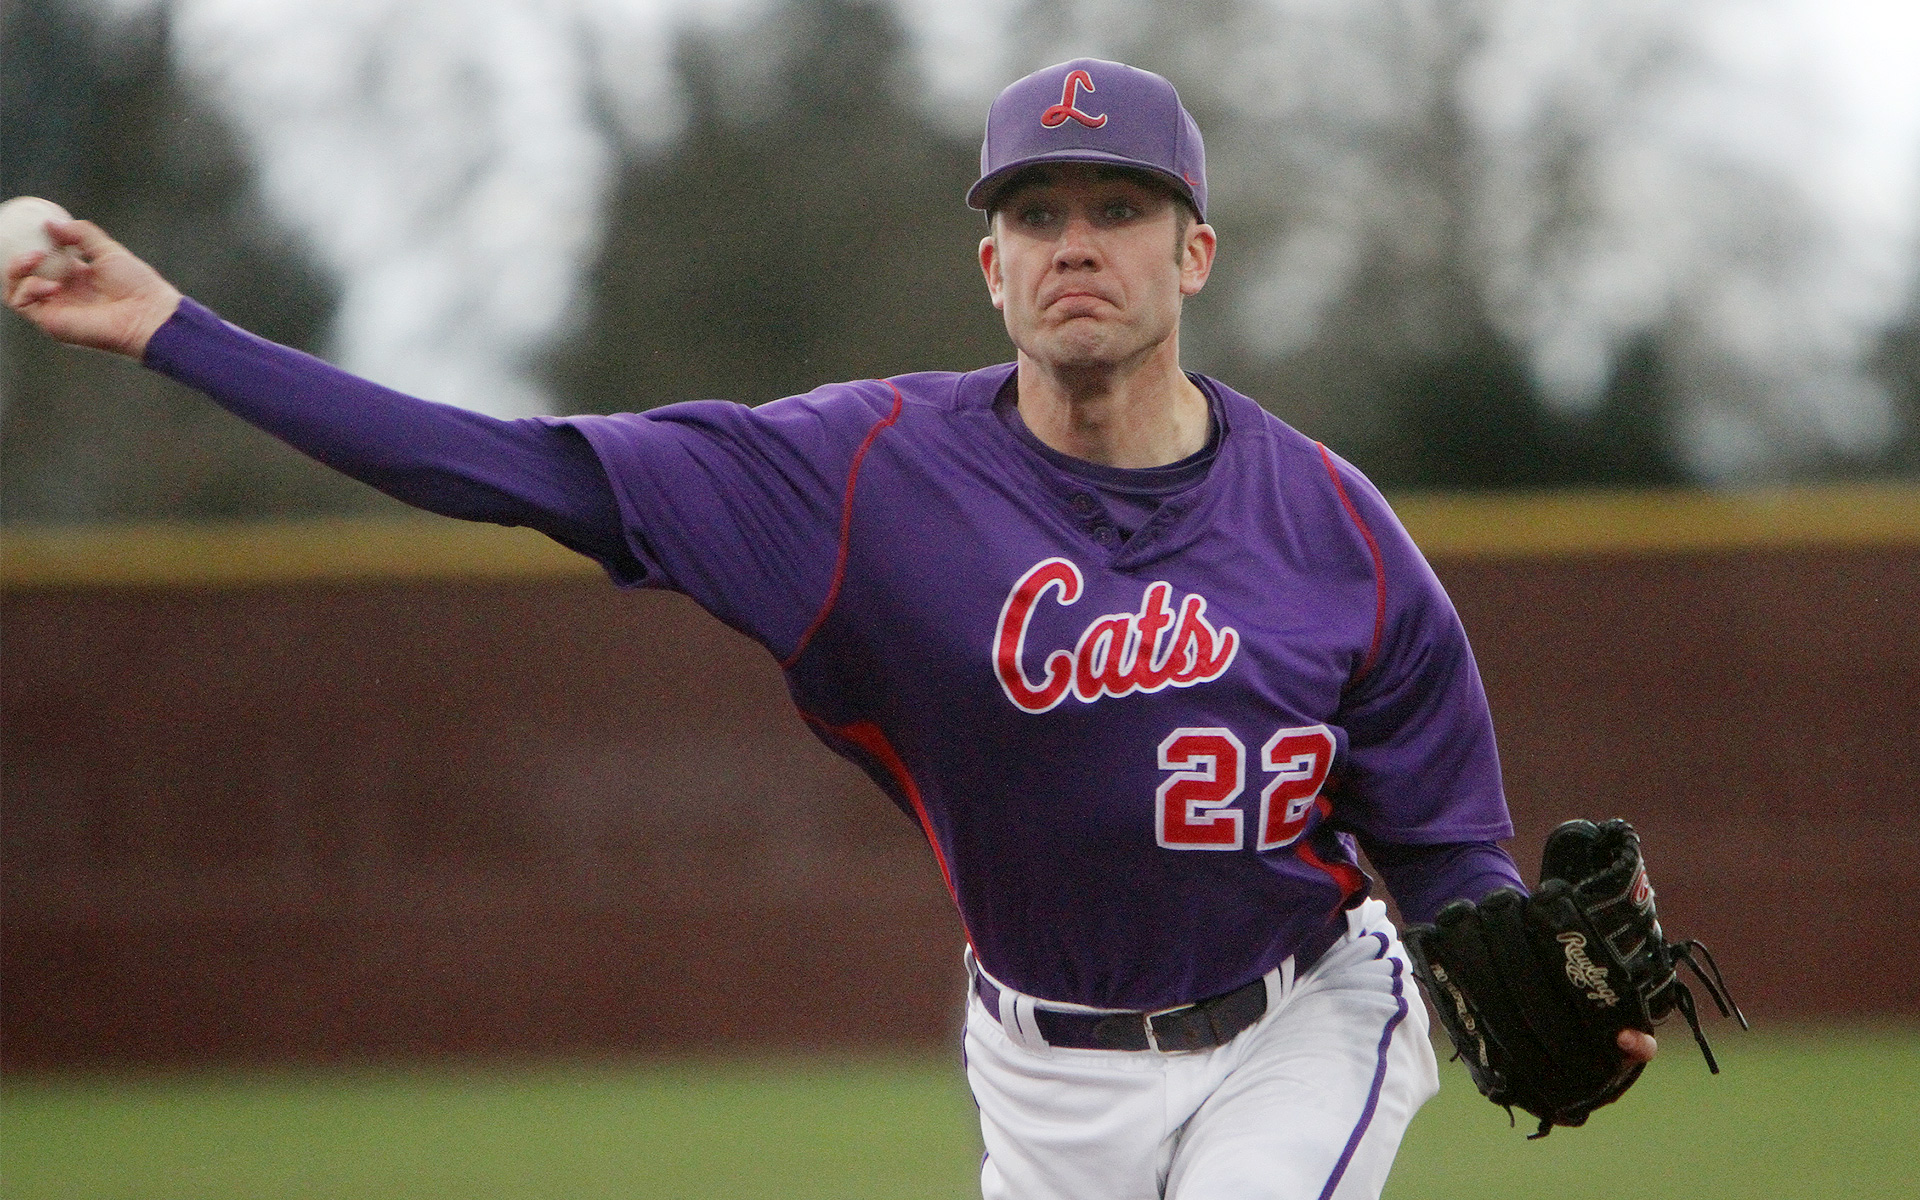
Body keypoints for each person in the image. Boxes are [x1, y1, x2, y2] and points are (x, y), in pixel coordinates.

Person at [8, 57, 1652, 1200]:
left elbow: (1446, 852)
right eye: (1037, 210)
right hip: (1041, 1069)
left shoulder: (1345, 537)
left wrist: (1507, 938)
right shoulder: (857, 478)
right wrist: (173, 329)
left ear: (1194, 251)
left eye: (1121, 205)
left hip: (1299, 1022)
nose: (1078, 239)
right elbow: (519, 472)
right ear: (989, 267)